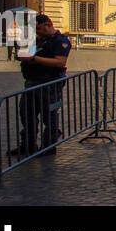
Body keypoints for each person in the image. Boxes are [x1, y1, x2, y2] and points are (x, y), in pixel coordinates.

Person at [17, 14, 71, 157]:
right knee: (27, 114)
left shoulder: (61, 41)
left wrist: (34, 58)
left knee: (50, 116)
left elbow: (60, 62)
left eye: (39, 28)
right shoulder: (37, 40)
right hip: (32, 83)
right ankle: (28, 145)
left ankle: (48, 147)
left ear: (48, 24)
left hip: (50, 83)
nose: (38, 31)